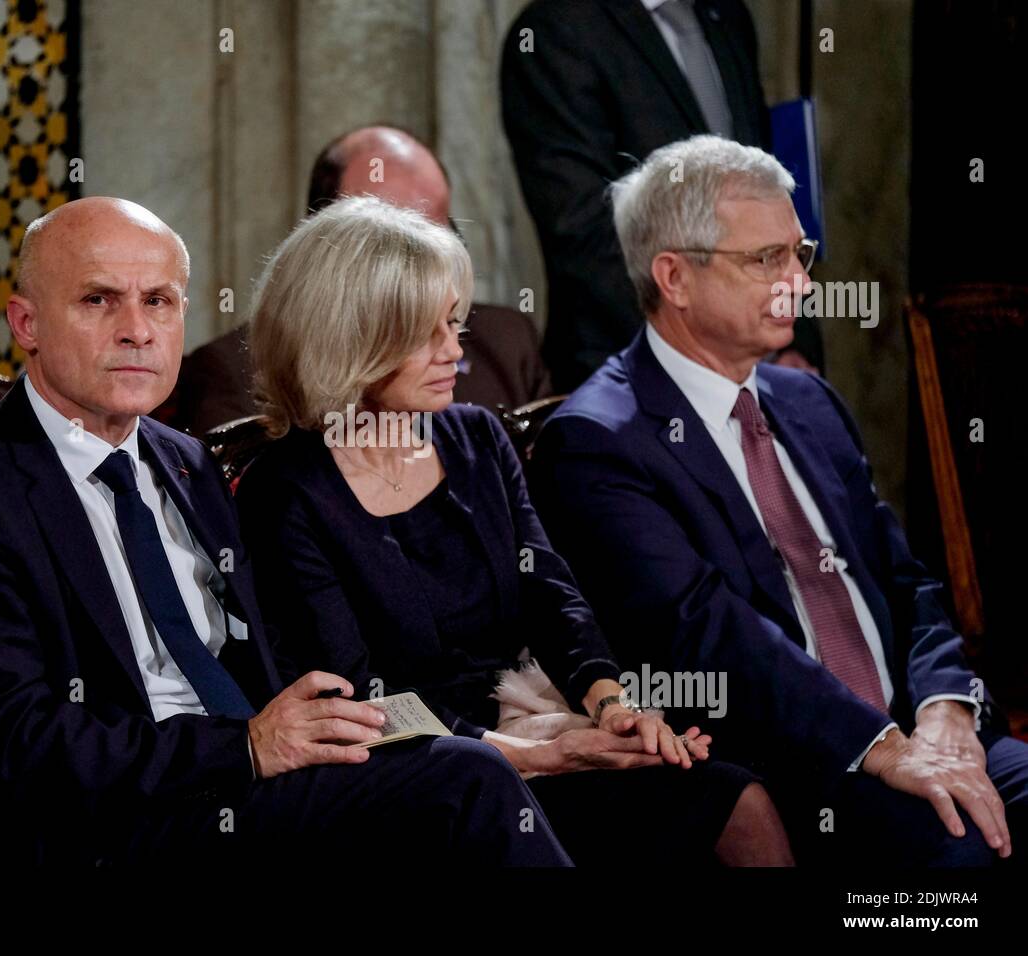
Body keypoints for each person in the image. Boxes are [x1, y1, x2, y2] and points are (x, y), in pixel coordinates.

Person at [0, 196, 571, 866]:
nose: (137, 329)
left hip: (237, 792)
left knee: (512, 776)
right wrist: (242, 749)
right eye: (98, 300)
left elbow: (266, 657)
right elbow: (11, 743)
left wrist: (360, 725)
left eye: (159, 301)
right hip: (96, 827)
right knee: (465, 783)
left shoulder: (185, 463)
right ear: (25, 323)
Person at [235, 195, 793, 865]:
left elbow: (551, 598)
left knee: (737, 801)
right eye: (428, 333)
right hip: (422, 773)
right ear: (351, 340)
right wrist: (540, 755)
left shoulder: (476, 438)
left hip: (533, 724)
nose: (456, 352)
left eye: (455, 324)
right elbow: (359, 703)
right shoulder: (286, 491)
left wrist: (611, 706)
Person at [528, 135, 1028, 865]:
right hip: (805, 762)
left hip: (924, 734)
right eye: (766, 259)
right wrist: (882, 746)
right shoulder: (598, 440)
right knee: (958, 865)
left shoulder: (806, 399)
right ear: (675, 276)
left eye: (801, 254)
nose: (799, 281)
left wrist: (946, 711)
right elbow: (711, 642)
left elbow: (906, 583)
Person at [501, 0, 820, 390]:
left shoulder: (726, 15)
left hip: (755, 369)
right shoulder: (555, 31)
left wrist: (789, 340)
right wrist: (714, 350)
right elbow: (582, 229)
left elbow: (767, 199)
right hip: (634, 376)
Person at [170, 125, 550, 434]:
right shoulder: (232, 369)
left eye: (434, 229)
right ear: (323, 240)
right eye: (387, 239)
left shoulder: (506, 340)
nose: (423, 255)